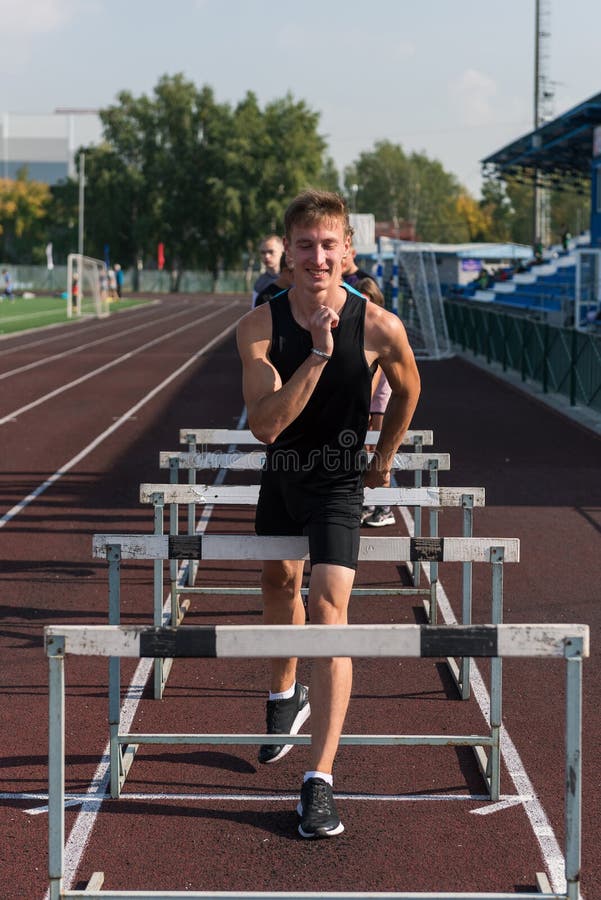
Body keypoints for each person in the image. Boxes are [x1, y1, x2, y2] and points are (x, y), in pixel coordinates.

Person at [236, 190, 420, 839]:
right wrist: (314, 354)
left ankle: (319, 781)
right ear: (288, 251)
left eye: (328, 244)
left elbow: (409, 388)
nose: (317, 256)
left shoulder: (379, 326)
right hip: (282, 474)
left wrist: (382, 460)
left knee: (326, 611)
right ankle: (284, 695)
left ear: (347, 251)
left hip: (340, 481)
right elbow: (264, 427)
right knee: (276, 585)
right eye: (305, 245)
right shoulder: (260, 327)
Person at [356, 278, 395, 528]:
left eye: (366, 302)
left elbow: (379, 372)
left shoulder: (381, 328)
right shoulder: (356, 328)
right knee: (365, 451)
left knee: (379, 449)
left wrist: (369, 405)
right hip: (366, 396)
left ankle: (385, 507)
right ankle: (370, 502)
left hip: (379, 397)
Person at [252, 234, 284, 308]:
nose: (266, 256)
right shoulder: (260, 284)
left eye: (271, 252)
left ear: (283, 251)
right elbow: (255, 312)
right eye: (263, 252)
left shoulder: (297, 278)